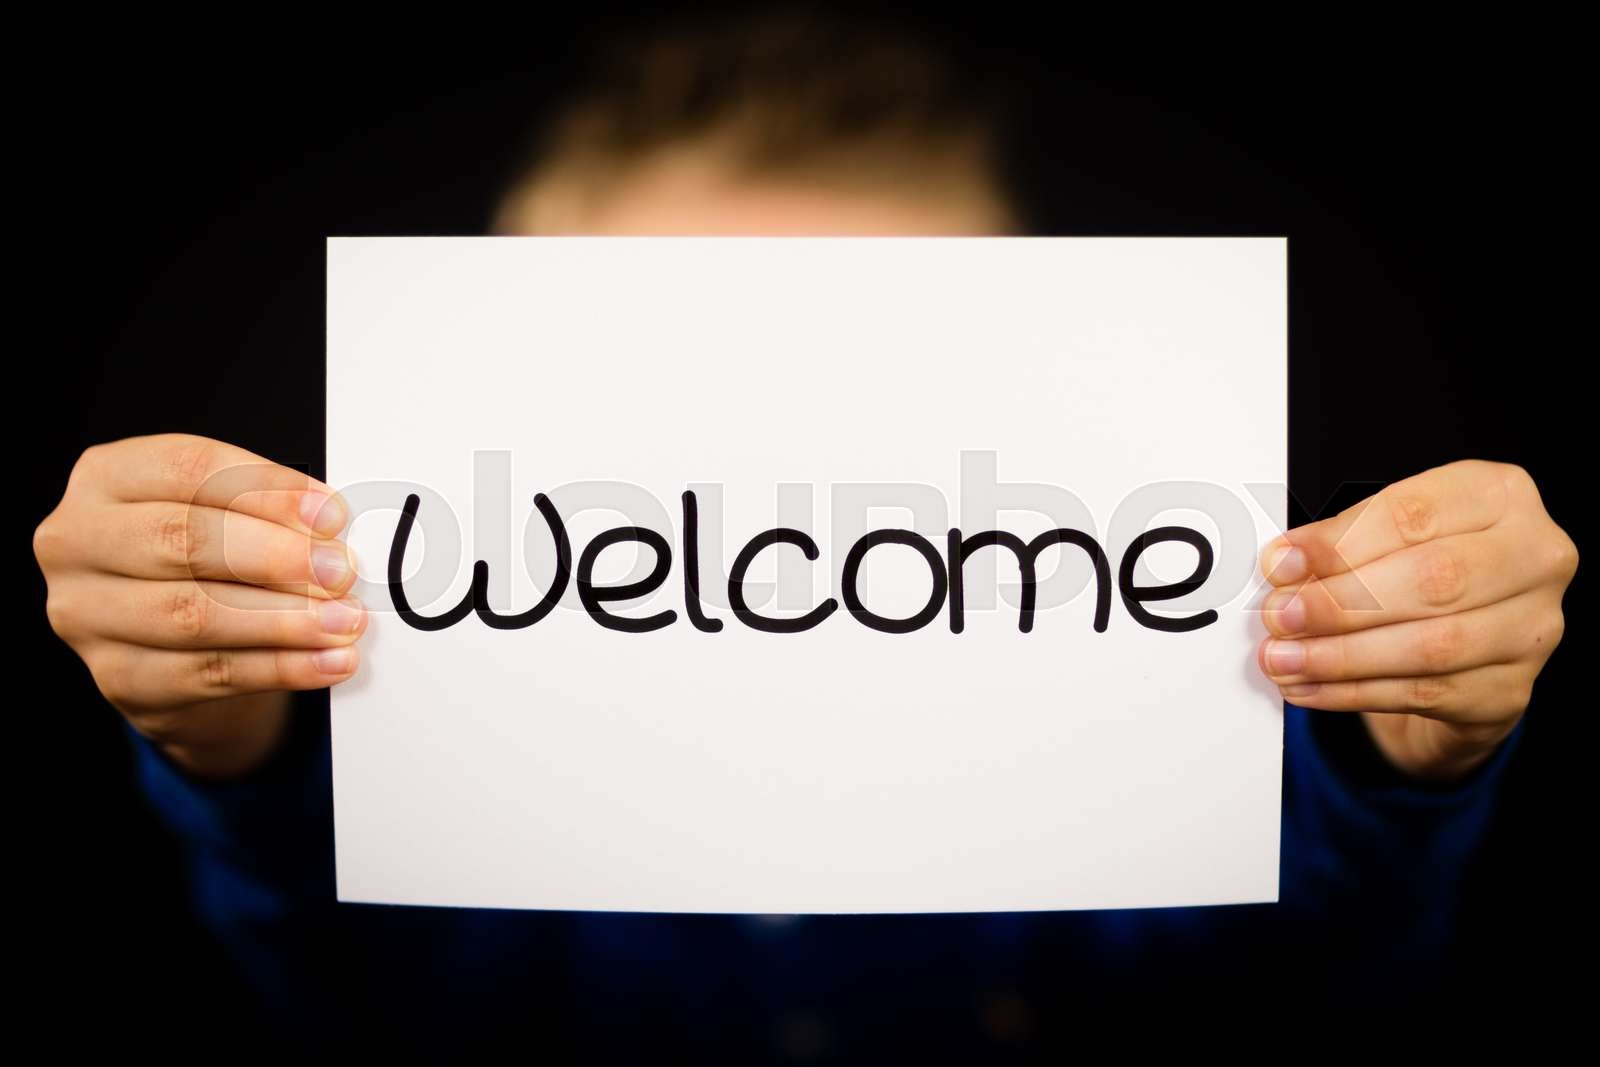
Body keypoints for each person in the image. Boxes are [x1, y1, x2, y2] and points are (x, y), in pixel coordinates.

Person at [30, 9, 1578, 1060]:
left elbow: (1299, 984)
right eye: (674, 361)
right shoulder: (438, 718)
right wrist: (233, 729)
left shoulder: (1138, 705)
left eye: (879, 363)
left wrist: (1396, 739)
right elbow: (334, 982)